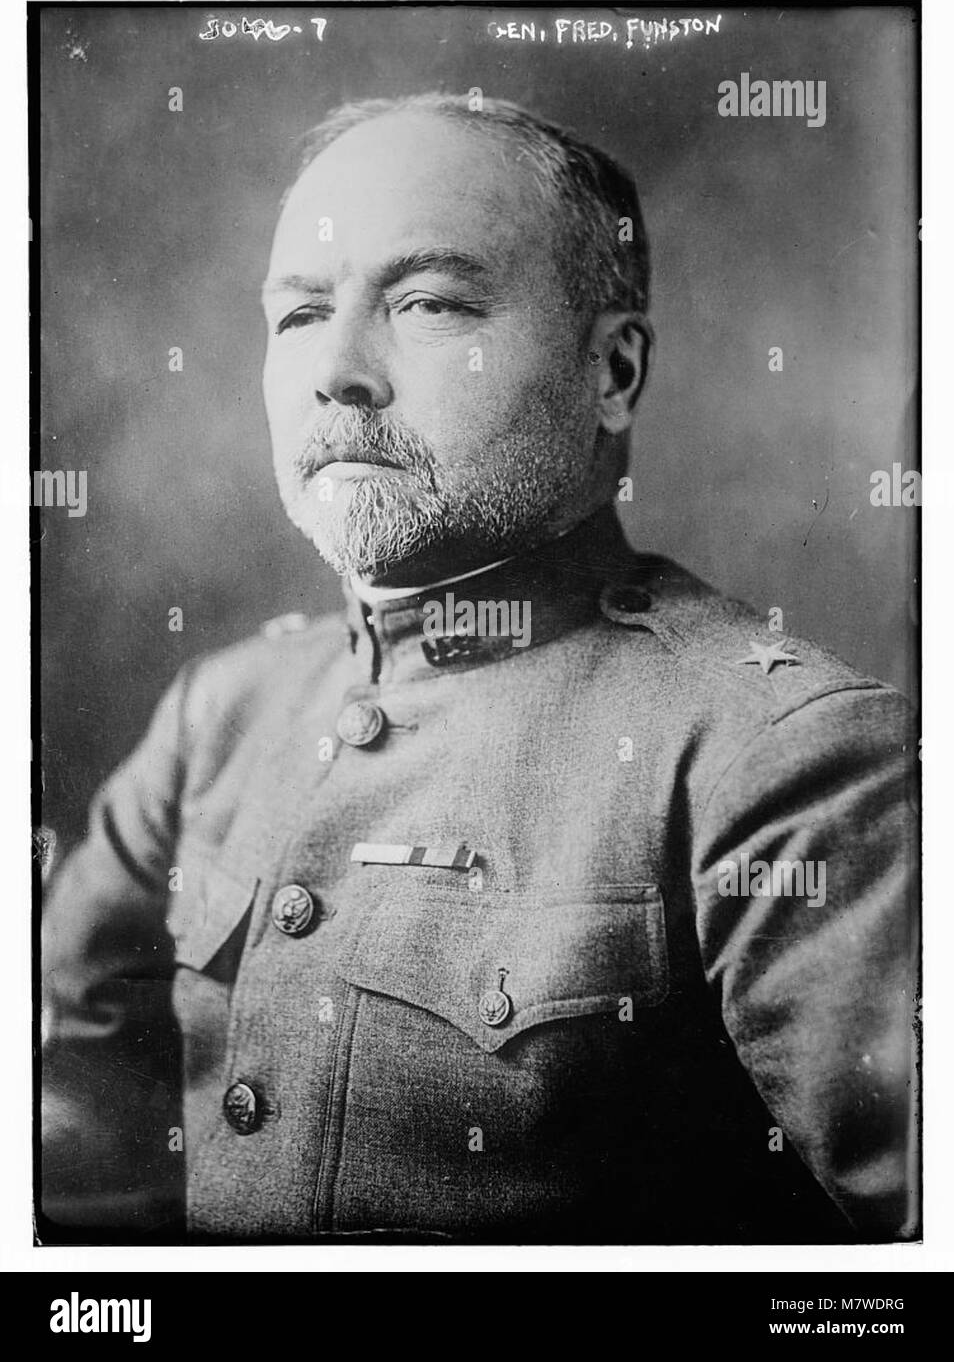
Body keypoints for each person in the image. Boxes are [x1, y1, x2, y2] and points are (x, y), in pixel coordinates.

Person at [41, 93, 918, 1245]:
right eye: (301, 314)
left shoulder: (783, 751)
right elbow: (72, 1148)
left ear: (611, 371)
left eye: (429, 303)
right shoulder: (220, 713)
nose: (338, 372)